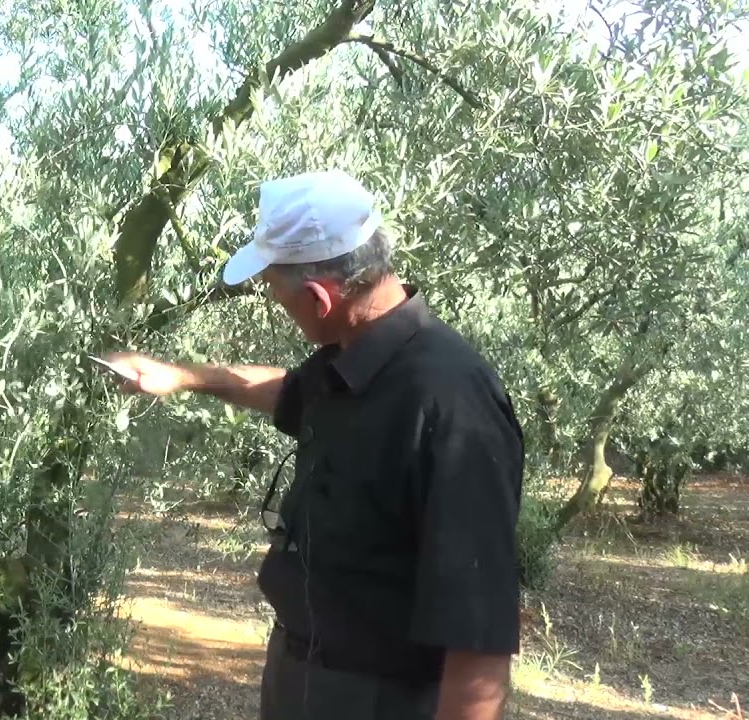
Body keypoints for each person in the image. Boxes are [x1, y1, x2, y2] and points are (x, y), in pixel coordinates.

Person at [103, 170, 525, 720]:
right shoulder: (355, 362)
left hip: (377, 701)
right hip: (305, 679)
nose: (274, 301)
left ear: (318, 297)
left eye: (274, 289)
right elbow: (291, 390)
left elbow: (479, 641)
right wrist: (181, 376)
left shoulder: (450, 404)